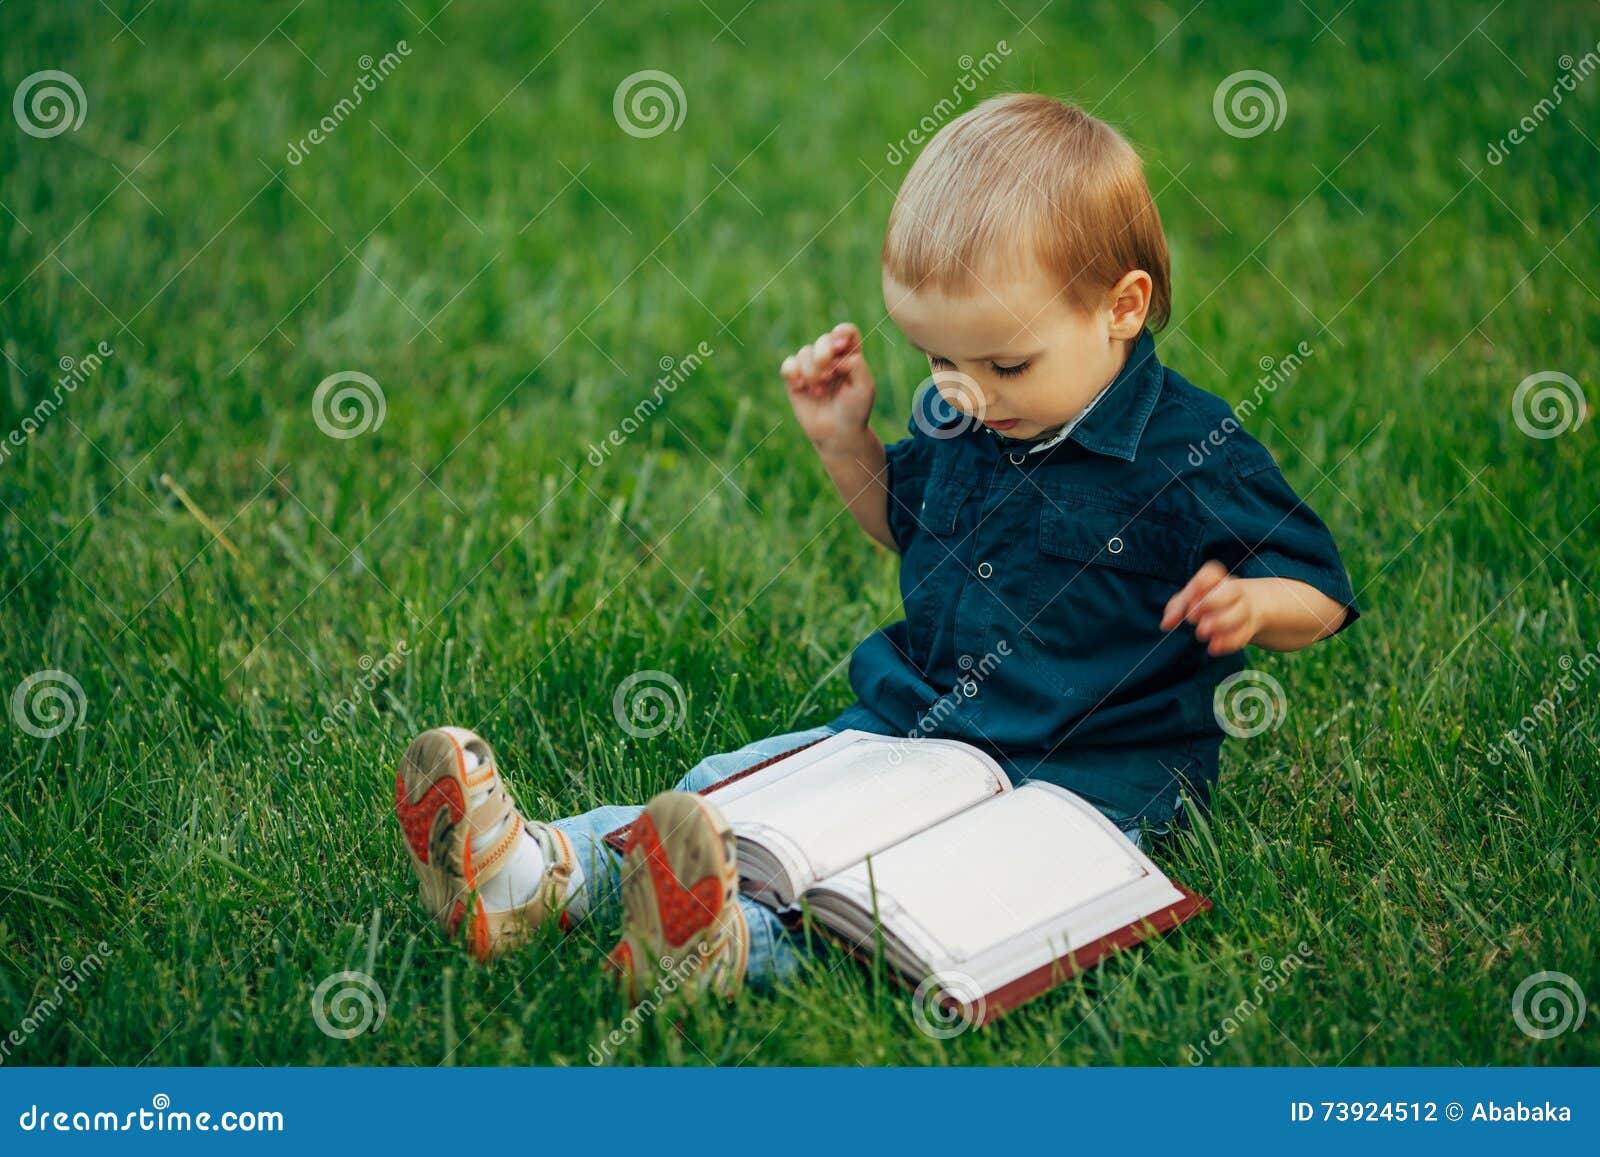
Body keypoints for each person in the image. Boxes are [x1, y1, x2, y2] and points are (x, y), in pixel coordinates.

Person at [394, 92, 1359, 999]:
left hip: (1094, 777)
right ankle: (537, 874)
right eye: (940, 358)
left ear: (1121, 306)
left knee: (911, 894)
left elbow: (1316, 584)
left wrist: (1253, 605)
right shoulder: (965, 416)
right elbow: (900, 520)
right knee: (749, 801)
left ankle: (728, 948)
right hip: (922, 727)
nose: (967, 390)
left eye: (1005, 362)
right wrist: (844, 439)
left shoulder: (1188, 448)